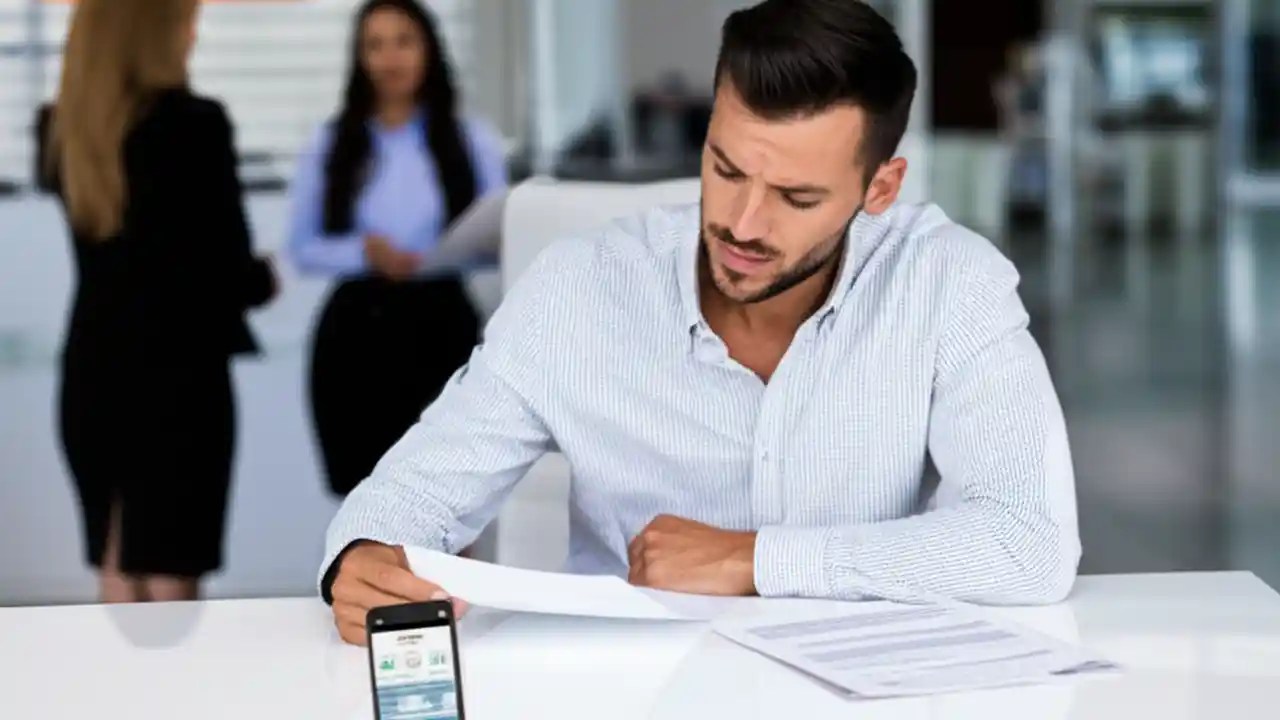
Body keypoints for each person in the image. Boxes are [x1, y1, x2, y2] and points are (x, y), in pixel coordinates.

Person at [321, 0, 1082, 645]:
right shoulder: (580, 289)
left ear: (879, 188)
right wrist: (361, 556)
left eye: (797, 197)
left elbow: (1031, 544)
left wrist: (756, 562)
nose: (744, 223)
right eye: (725, 169)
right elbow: (409, 498)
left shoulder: (947, 281)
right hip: (623, 693)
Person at [36, 0, 276, 603]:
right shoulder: (193, 125)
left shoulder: (62, 128)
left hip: (93, 374)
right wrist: (266, 277)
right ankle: (174, 701)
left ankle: (118, 700)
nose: (194, 31)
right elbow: (226, 274)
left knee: (117, 567)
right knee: (171, 576)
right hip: (178, 382)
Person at [288, 0, 508, 497]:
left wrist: (442, 253)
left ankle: (453, 580)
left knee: (453, 497)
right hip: (359, 331)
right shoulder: (333, 142)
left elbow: (499, 233)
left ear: (429, 49)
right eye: (375, 45)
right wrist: (364, 253)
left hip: (442, 325)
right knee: (371, 502)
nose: (391, 59)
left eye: (404, 42)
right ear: (359, 58)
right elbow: (303, 248)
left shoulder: (469, 138)